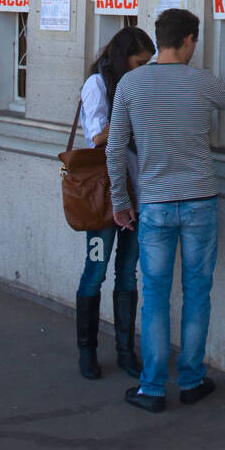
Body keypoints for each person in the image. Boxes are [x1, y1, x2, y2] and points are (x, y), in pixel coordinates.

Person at [106, 8, 225, 412]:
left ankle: (152, 389)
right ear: (190, 40)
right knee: (197, 292)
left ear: (160, 41)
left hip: (156, 204)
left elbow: (114, 149)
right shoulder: (202, 82)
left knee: (156, 296)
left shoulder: (130, 83)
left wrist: (120, 202)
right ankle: (193, 381)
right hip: (199, 202)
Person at [75, 25, 155, 380]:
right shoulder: (96, 85)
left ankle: (125, 350)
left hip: (138, 192)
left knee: (128, 272)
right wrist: (131, 113)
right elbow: (97, 135)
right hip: (103, 197)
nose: (143, 70)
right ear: (124, 59)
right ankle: (87, 350)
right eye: (139, 63)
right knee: (96, 271)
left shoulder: (137, 85)